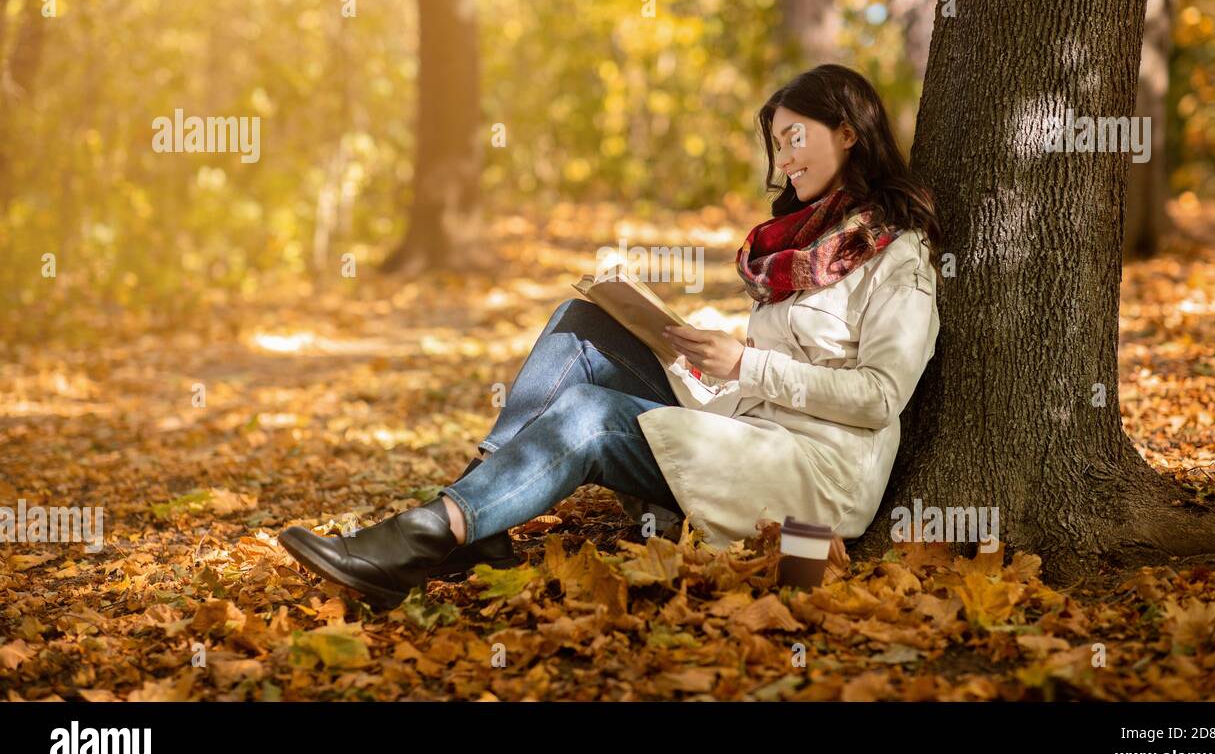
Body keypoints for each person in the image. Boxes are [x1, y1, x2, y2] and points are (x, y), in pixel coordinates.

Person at [278, 63, 943, 609]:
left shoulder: (900, 256)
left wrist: (748, 365)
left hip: (816, 475)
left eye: (795, 137)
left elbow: (880, 397)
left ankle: (425, 534)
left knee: (590, 416)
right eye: (777, 143)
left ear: (849, 132)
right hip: (749, 426)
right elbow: (774, 369)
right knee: (585, 325)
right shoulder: (801, 244)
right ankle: (476, 517)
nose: (784, 158)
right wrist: (707, 356)